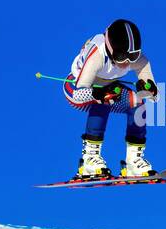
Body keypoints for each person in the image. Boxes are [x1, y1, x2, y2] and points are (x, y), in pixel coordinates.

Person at [63, 19, 159, 178]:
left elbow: (154, 97)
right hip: (76, 86)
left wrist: (148, 89)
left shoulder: (138, 60)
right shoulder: (97, 55)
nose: (127, 62)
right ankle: (89, 160)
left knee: (138, 102)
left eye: (133, 56)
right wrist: (99, 94)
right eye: (121, 56)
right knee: (105, 99)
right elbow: (78, 95)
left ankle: (133, 162)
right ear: (110, 48)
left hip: (109, 86)